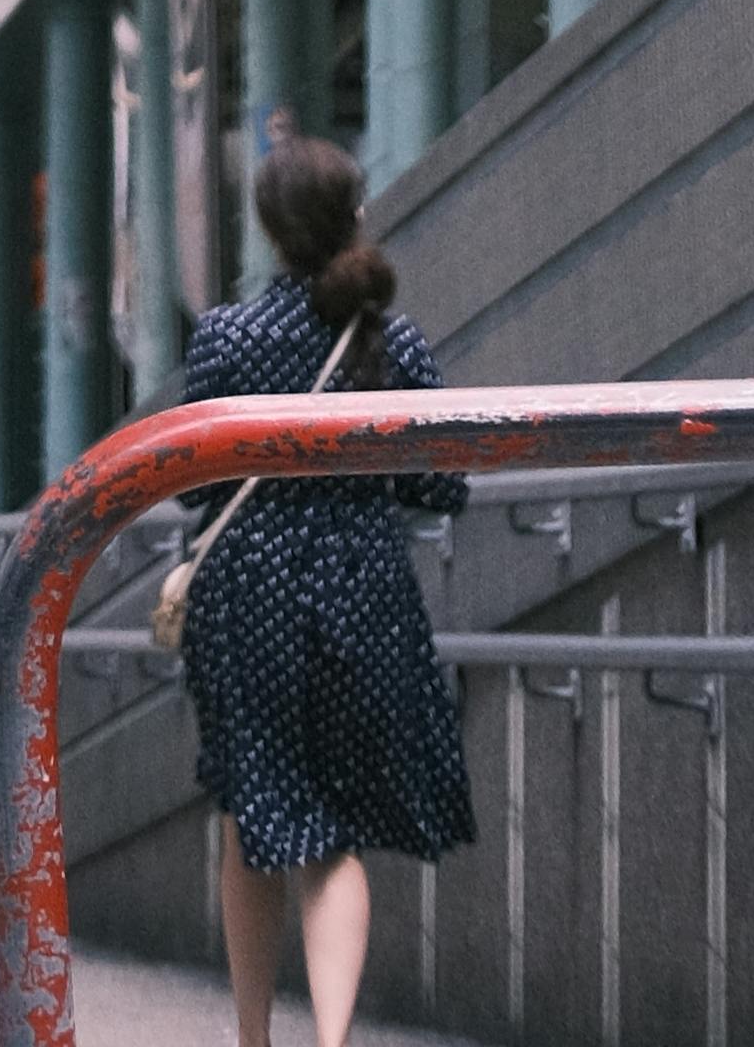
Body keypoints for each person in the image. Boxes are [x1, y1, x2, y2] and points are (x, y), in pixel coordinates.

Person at [167, 133, 472, 1047]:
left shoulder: (226, 336)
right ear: (352, 218)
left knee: (253, 814)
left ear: (269, 229)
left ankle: (255, 1035)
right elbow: (442, 482)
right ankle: (331, 1040)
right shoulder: (390, 340)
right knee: (332, 831)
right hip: (359, 590)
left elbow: (191, 481)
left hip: (248, 593)